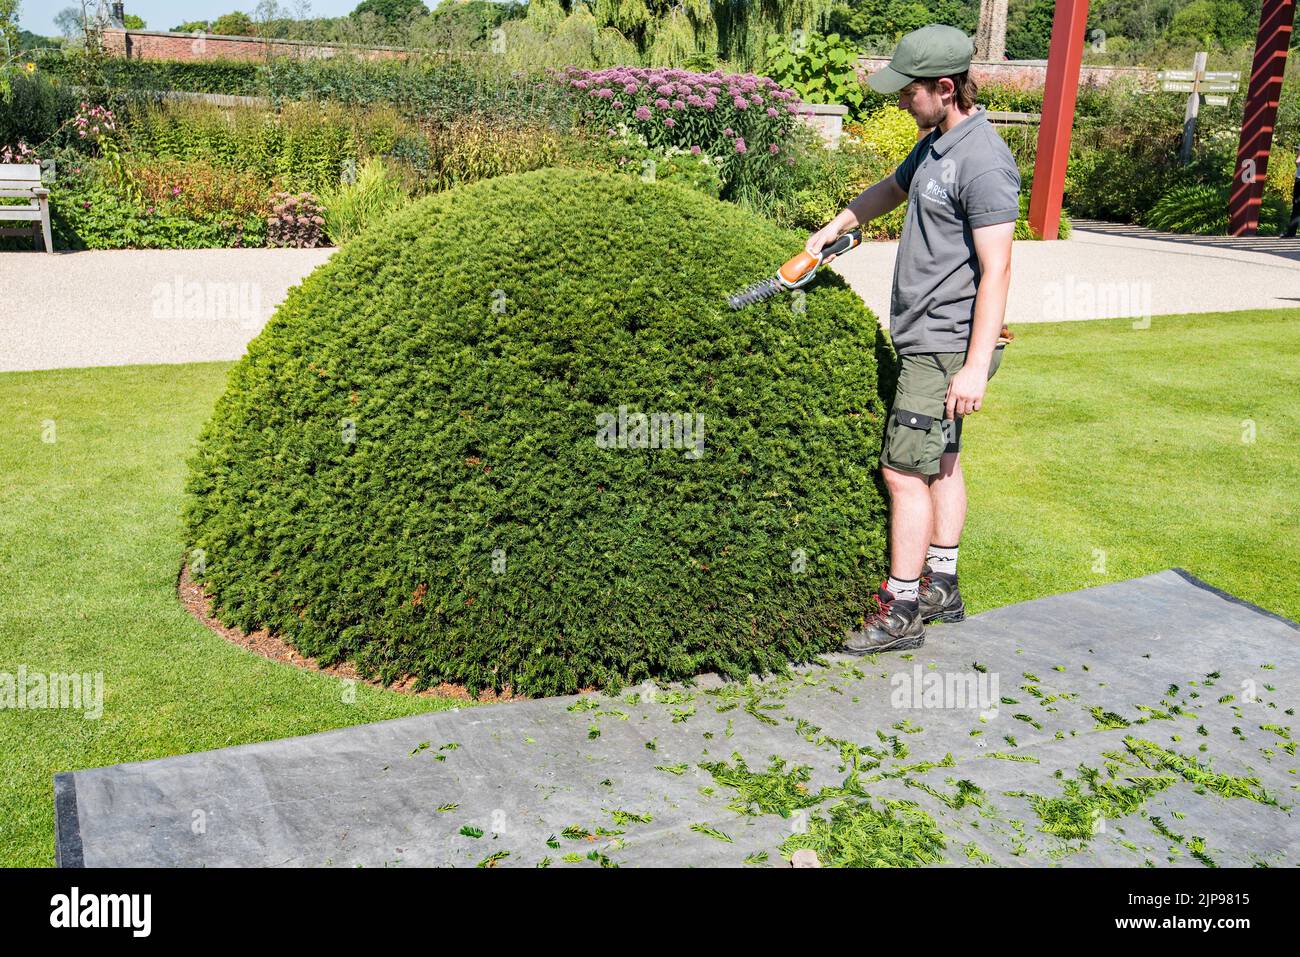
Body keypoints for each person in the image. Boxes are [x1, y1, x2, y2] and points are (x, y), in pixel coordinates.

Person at [805, 24, 1020, 653]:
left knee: (902, 472)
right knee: (943, 461)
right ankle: (941, 585)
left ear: (946, 88)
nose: (900, 101)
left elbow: (999, 267)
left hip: (945, 344)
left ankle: (900, 608)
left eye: (910, 92)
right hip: (935, 340)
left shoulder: (982, 161)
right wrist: (833, 227)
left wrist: (975, 365)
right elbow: (890, 190)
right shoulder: (935, 144)